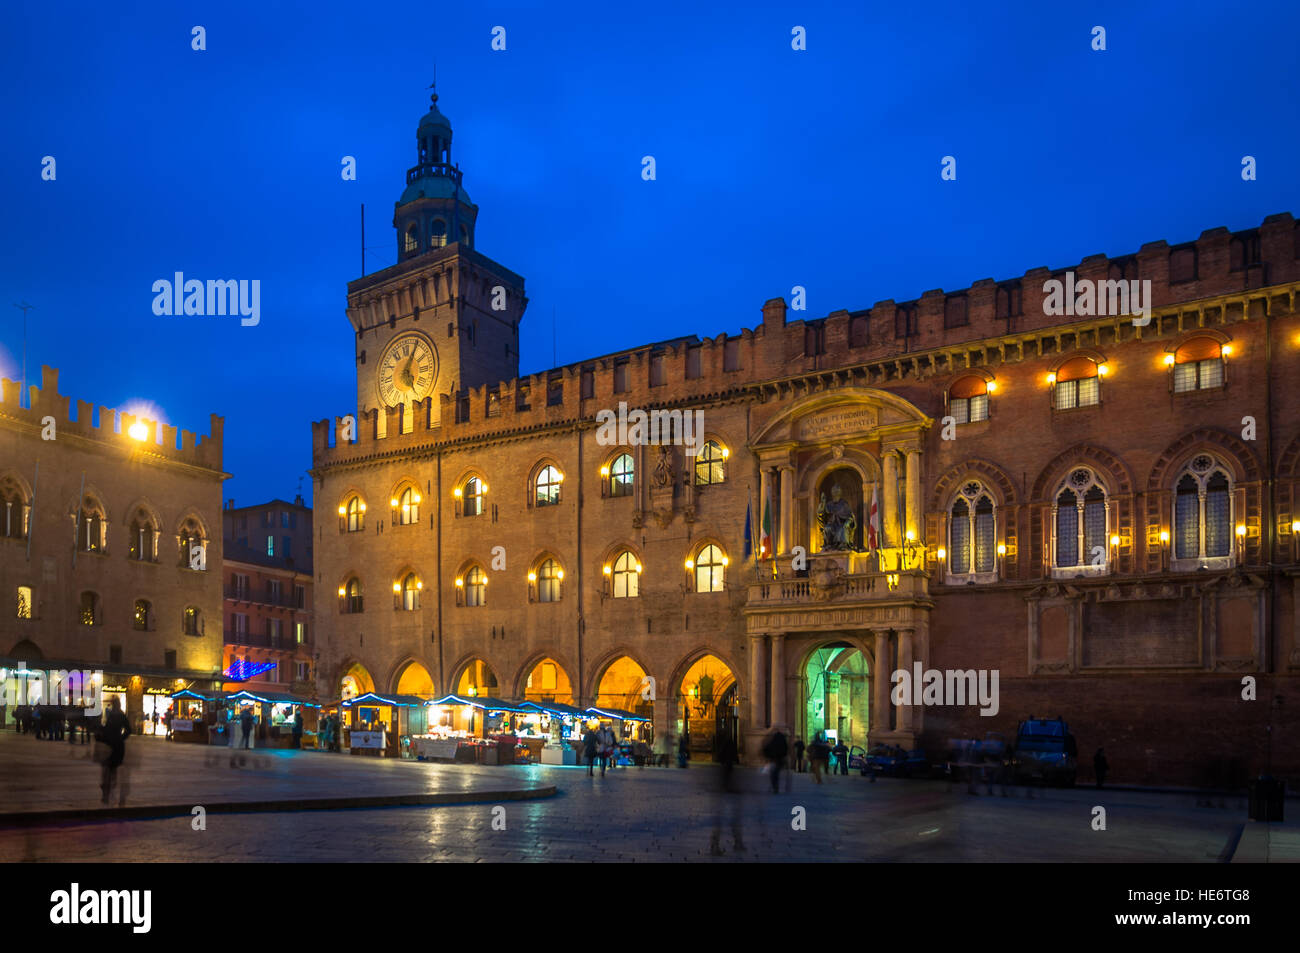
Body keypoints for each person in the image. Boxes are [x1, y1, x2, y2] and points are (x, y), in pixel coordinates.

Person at [710, 732, 744, 855]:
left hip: (722, 792)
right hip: (727, 793)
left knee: (723, 818)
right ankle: (736, 842)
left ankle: (718, 843)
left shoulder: (720, 754)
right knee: (732, 817)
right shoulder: (729, 765)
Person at [98, 696, 131, 805]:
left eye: (113, 703)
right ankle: (107, 792)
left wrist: (120, 738)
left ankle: (108, 792)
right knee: (109, 769)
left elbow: (128, 729)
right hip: (111, 745)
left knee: (110, 769)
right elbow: (108, 729)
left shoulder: (119, 715)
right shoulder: (113, 714)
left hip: (115, 746)